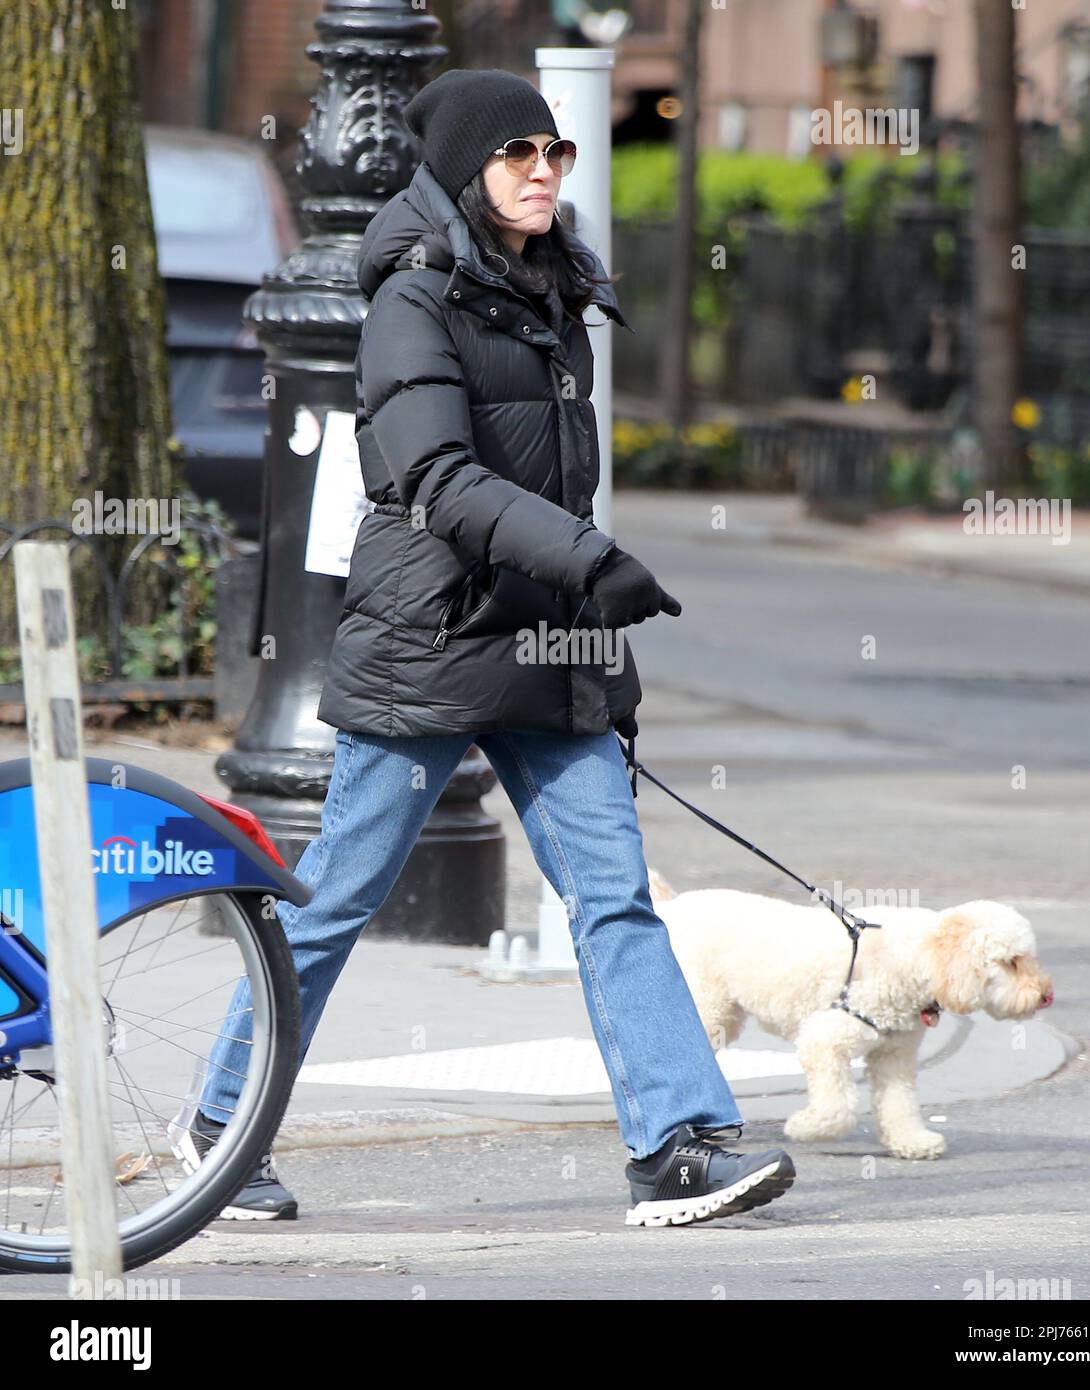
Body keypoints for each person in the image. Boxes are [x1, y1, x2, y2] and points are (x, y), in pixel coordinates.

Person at [186, 69, 795, 1227]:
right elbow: (439, 481)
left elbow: (561, 485)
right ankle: (222, 1122)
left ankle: (673, 1148)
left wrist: (602, 656)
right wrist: (588, 563)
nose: (544, 172)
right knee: (339, 899)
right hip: (432, 637)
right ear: (468, 168)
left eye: (555, 153)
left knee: (614, 894)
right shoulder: (416, 298)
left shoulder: (557, 290)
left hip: (544, 638)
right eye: (518, 154)